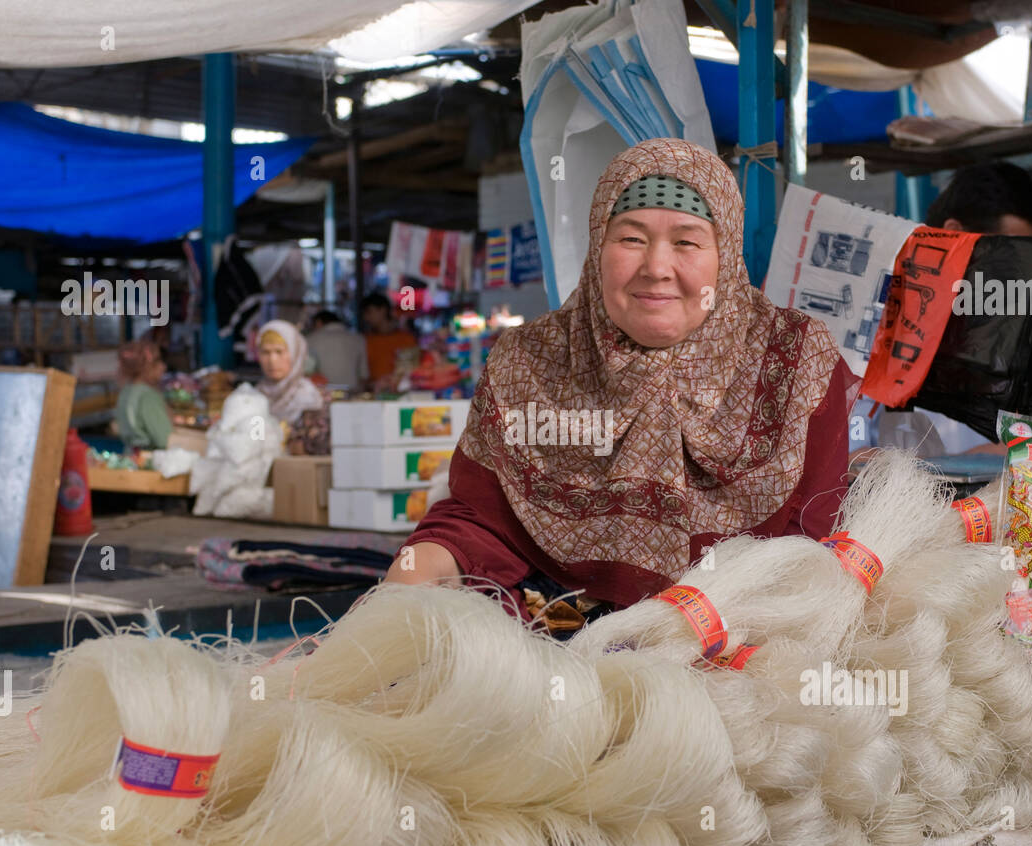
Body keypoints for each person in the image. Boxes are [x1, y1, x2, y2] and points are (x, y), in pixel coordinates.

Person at [386, 138, 855, 621]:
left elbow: (813, 549)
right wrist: (425, 567)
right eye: (630, 238)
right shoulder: (527, 362)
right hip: (558, 655)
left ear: (726, 255)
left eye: (688, 241)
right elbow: (482, 523)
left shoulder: (795, 361)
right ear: (597, 248)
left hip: (740, 650)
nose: (655, 269)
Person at [864, 161, 1032, 458]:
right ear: (954, 234)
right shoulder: (881, 319)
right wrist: (971, 465)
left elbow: (1020, 430)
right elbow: (843, 460)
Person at [255, 319, 324, 426]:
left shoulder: (309, 400)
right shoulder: (254, 396)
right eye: (265, 352)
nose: (272, 360)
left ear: (295, 354)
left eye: (279, 351)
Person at [114, 339, 172, 451]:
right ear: (148, 366)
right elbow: (164, 439)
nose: (163, 367)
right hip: (151, 461)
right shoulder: (148, 396)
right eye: (158, 361)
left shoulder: (126, 391)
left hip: (130, 456)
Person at [360, 292, 417, 384]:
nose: (366, 318)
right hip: (373, 392)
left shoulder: (406, 339)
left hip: (400, 393)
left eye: (369, 312)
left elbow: (412, 370)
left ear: (383, 310)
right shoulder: (365, 340)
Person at [305, 309, 368, 392]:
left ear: (318, 322)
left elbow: (307, 371)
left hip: (323, 394)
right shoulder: (358, 339)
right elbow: (364, 375)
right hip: (352, 394)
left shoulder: (310, 339)